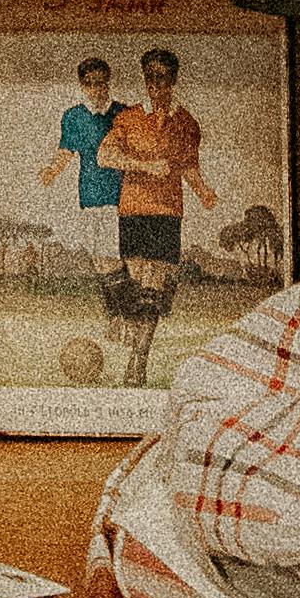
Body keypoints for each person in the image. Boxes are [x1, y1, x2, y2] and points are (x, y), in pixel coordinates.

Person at [103, 48, 217, 387]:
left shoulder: (186, 123)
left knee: (154, 287)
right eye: (150, 76)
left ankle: (139, 360)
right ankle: (130, 347)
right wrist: (144, 165)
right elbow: (105, 155)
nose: (156, 83)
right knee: (136, 285)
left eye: (162, 77)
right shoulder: (129, 117)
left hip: (168, 211)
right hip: (134, 208)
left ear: (173, 79)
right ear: (144, 78)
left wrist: (203, 191)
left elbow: (189, 167)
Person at [41, 59, 131, 293]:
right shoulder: (73, 116)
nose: (96, 89)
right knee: (99, 260)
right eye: (89, 83)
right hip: (89, 194)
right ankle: (116, 314)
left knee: (116, 257)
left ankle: (123, 316)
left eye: (100, 83)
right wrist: (52, 170)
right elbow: (66, 150)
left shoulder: (123, 113)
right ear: (82, 85)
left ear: (108, 83)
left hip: (119, 195)